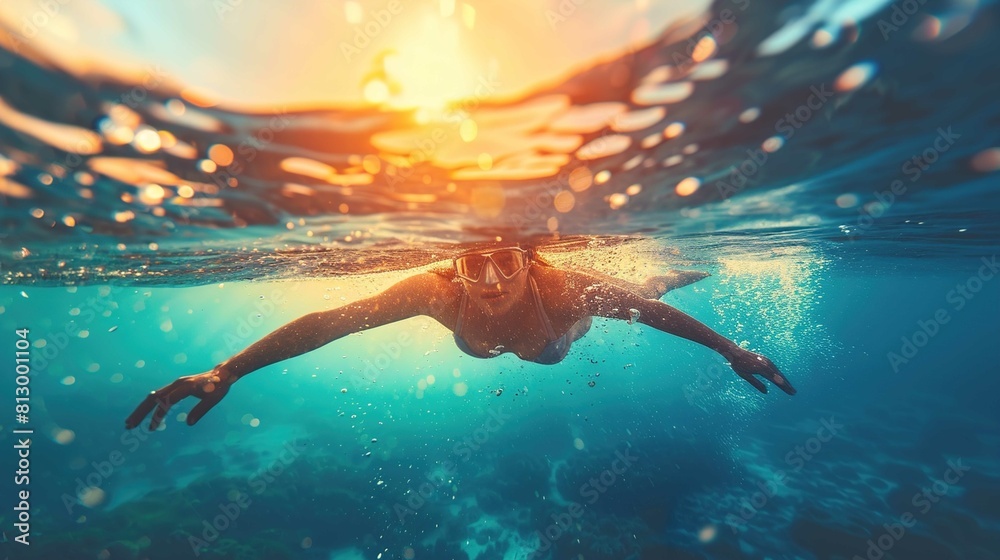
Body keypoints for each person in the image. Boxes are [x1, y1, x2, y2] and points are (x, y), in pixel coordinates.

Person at [126, 245, 795, 431]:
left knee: (642, 293)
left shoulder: (565, 287)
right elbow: (332, 323)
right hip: (480, 343)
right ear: (453, 267)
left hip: (558, 337)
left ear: (532, 260)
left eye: (508, 260)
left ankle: (664, 269)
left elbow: (651, 317)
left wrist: (729, 349)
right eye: (474, 264)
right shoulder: (433, 292)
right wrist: (229, 369)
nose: (493, 277)